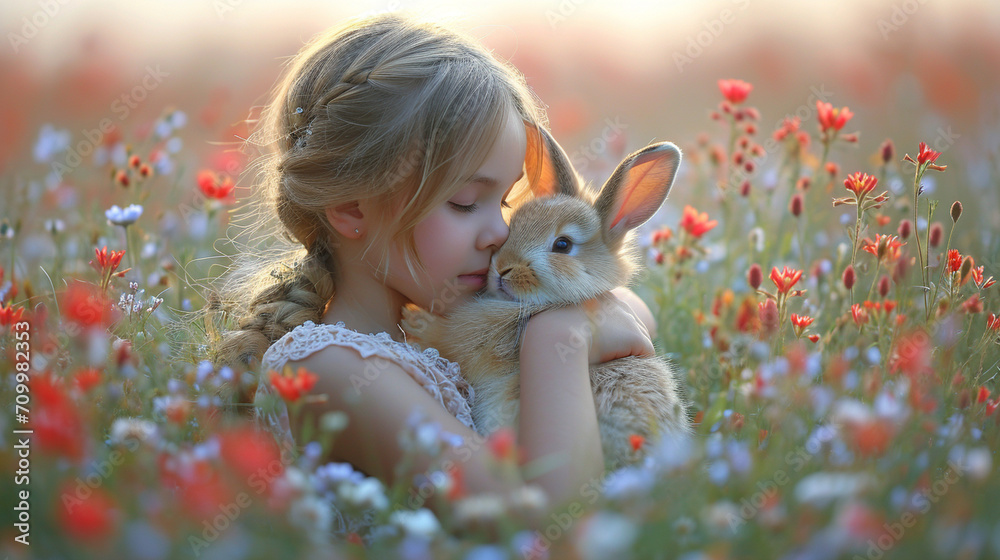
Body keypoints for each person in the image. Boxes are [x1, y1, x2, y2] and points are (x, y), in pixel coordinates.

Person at [211, 11, 657, 531]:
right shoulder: (333, 368)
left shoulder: (433, 327)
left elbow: (628, 312)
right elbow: (545, 525)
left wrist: (594, 311)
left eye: (506, 201)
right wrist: (564, 332)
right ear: (353, 209)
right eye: (466, 202)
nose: (499, 235)